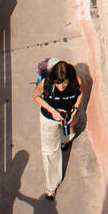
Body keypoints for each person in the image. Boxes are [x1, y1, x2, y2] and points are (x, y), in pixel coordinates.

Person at [32, 60, 85, 198]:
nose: (61, 87)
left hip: (68, 116)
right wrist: (52, 110)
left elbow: (80, 94)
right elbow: (35, 96)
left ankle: (66, 139)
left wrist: (75, 108)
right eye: (58, 83)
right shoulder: (46, 83)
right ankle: (51, 185)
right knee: (50, 151)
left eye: (64, 83)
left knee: (68, 131)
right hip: (49, 118)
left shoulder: (76, 82)